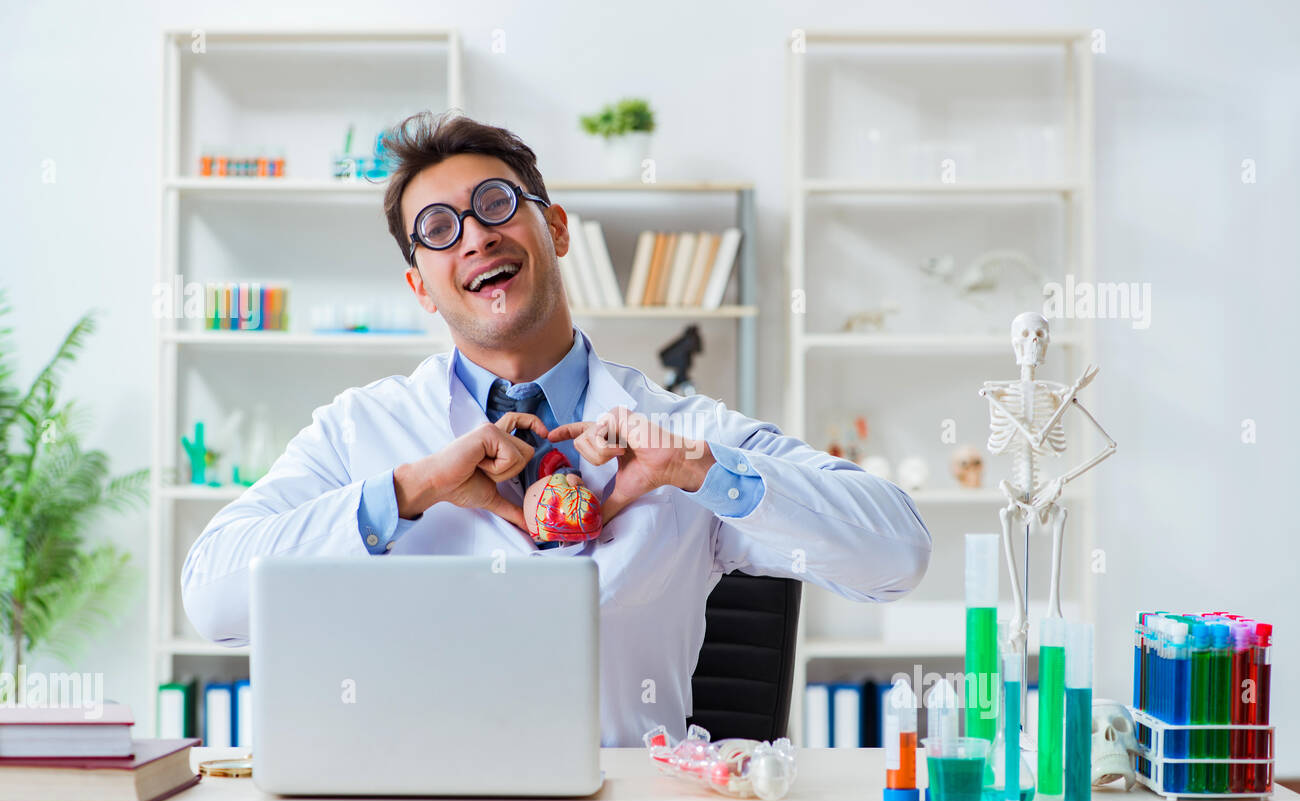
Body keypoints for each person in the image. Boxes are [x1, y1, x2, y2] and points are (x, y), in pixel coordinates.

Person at [181, 110, 932, 747]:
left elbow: (897, 554)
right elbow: (211, 601)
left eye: (497, 204)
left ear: (558, 229)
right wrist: (412, 489)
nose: (474, 236)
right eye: (439, 229)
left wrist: (700, 471)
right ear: (420, 286)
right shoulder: (361, 433)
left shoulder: (680, 429)